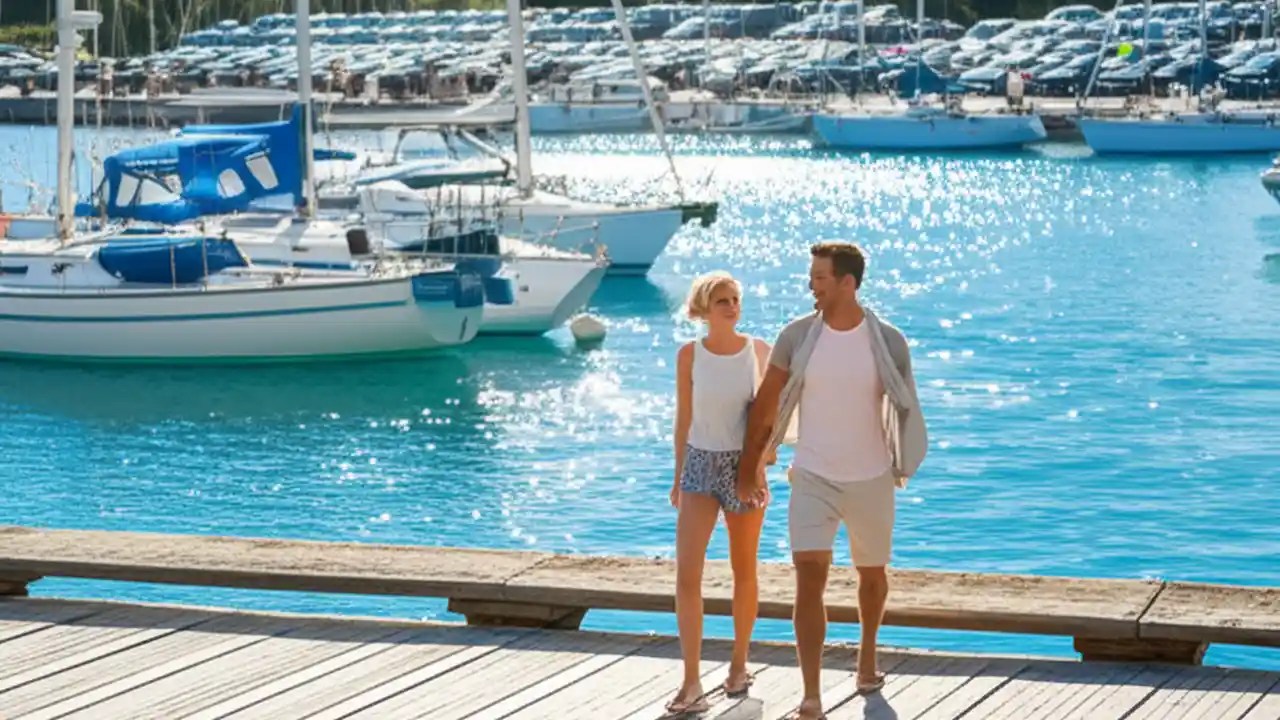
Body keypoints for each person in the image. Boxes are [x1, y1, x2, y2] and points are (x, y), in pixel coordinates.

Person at [736, 242, 927, 720]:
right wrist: (750, 465)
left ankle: (866, 661)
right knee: (809, 579)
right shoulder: (797, 337)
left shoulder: (888, 341)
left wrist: (903, 462)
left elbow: (906, 409)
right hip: (813, 476)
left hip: (871, 478)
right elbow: (766, 402)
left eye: (820, 278)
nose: (811, 285)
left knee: (872, 578)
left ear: (848, 282)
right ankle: (811, 693)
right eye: (811, 276)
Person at [667, 270, 773, 715]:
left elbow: (768, 421)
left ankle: (738, 665)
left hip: (743, 466)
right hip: (699, 464)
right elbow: (683, 419)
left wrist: (762, 468)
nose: (731, 307)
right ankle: (692, 682)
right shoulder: (690, 355)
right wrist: (677, 476)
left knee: (743, 569)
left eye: (735, 299)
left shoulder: (759, 352)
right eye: (721, 301)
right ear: (704, 310)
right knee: (687, 575)